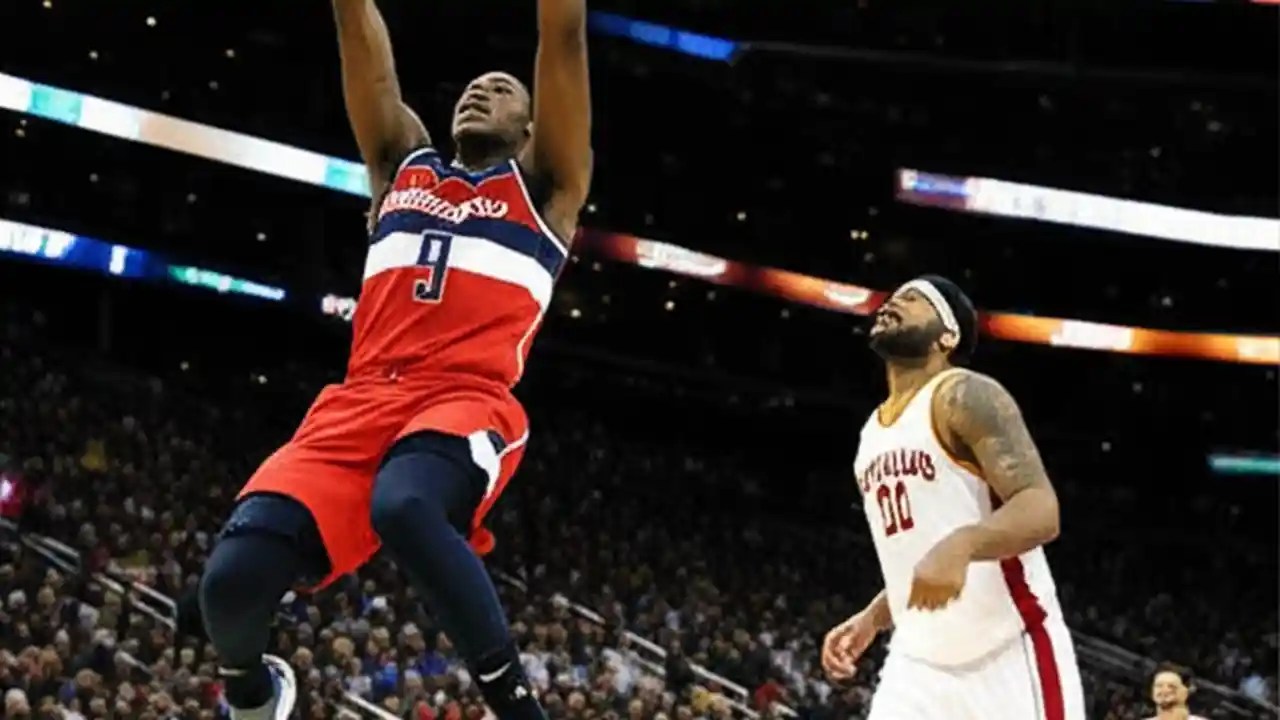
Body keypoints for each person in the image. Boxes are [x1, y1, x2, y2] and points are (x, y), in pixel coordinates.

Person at [194, 0, 592, 717]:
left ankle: (519, 709)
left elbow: (562, 32)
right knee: (228, 584)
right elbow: (356, 29)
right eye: (473, 85)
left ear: (532, 129)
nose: (479, 90)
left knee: (405, 504)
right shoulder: (400, 163)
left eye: (502, 89)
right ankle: (255, 697)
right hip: (359, 398)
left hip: (464, 397)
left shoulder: (547, 186)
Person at [821, 276, 1085, 720]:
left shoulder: (963, 394)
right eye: (893, 297)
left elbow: (1042, 509)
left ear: (947, 336)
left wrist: (963, 544)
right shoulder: (871, 435)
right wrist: (874, 616)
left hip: (1008, 651)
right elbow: (919, 550)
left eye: (913, 299)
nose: (893, 303)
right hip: (918, 665)